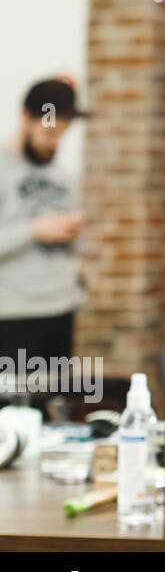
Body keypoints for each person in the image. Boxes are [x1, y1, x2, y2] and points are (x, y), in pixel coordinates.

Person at [0, 77, 87, 370]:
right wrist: (35, 230)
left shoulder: (64, 175)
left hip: (61, 308)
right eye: (49, 132)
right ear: (26, 117)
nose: (55, 141)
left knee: (55, 408)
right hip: (12, 314)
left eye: (62, 133)